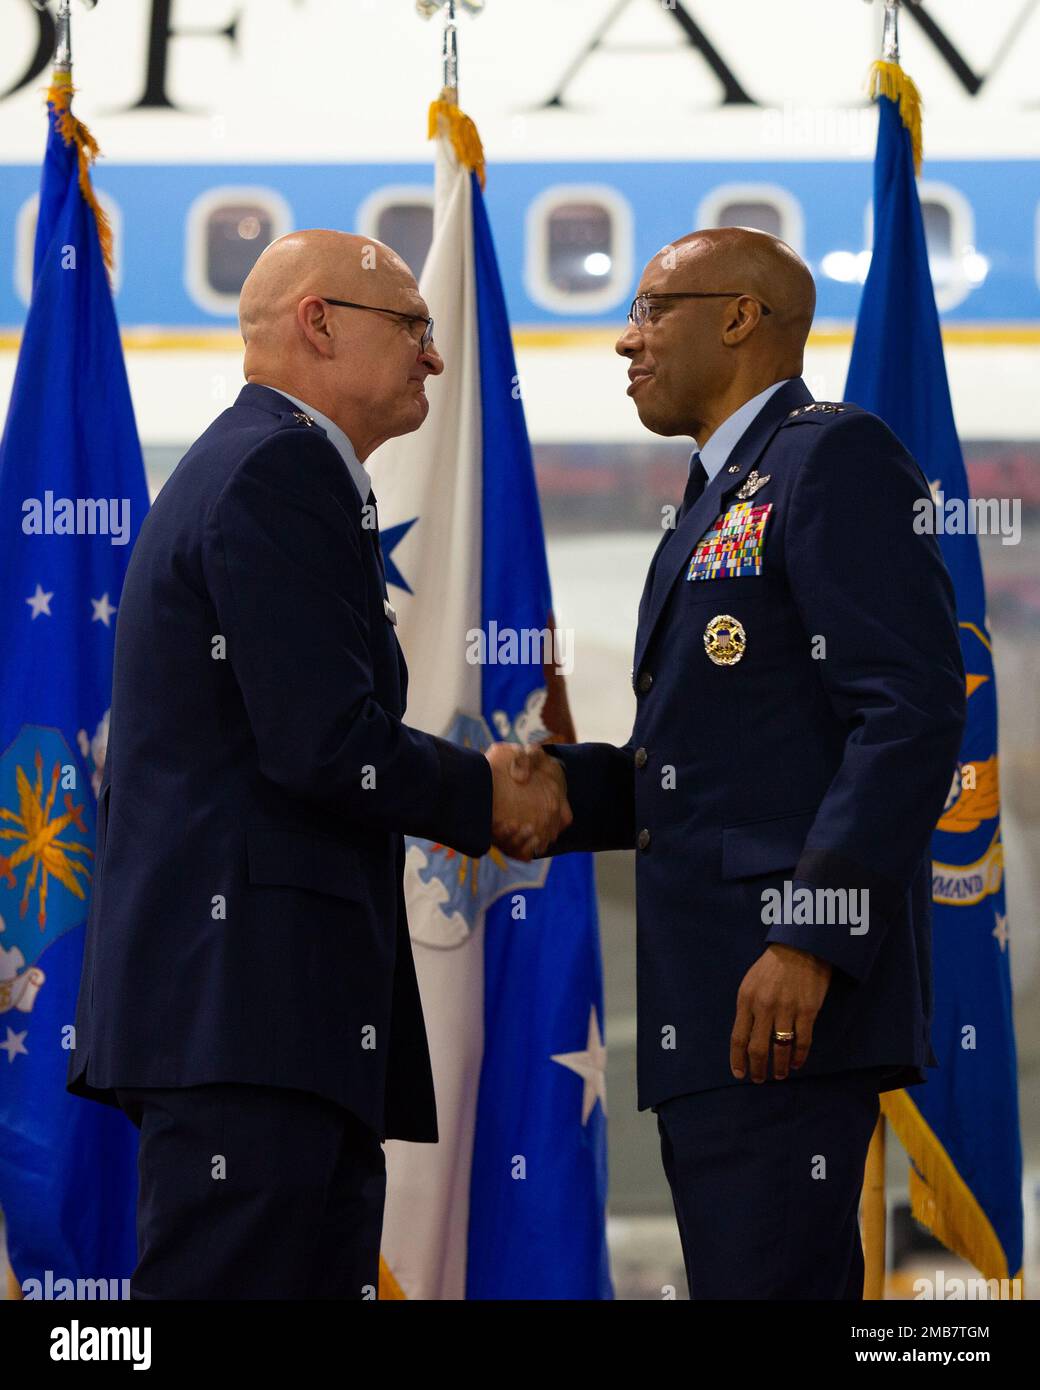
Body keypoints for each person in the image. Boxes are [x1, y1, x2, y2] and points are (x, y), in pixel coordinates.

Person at [66, 228, 570, 1299]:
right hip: (248, 1016)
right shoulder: (277, 468)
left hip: (260, 1017)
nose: (434, 360)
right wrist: (491, 790)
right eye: (413, 332)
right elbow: (321, 744)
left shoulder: (264, 466)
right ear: (319, 324)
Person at [513, 226, 967, 1299]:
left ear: (737, 317)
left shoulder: (831, 459)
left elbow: (908, 711)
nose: (627, 341)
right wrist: (539, 792)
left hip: (782, 1001)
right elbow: (697, 771)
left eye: (650, 310)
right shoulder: (718, 491)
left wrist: (811, 938)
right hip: (717, 1001)